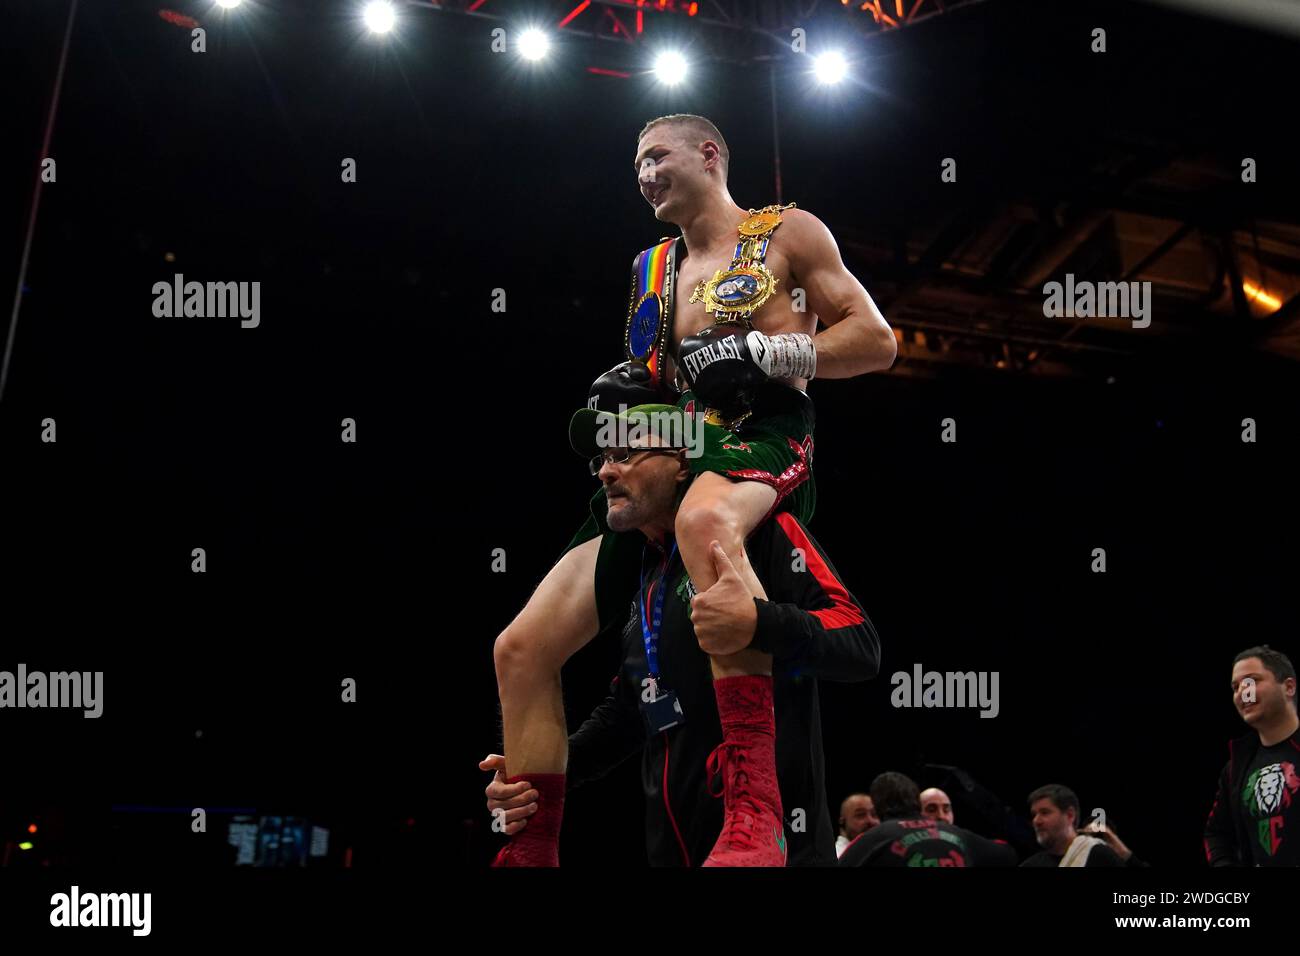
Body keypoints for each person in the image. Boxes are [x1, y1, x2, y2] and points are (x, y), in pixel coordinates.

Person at [492, 113, 895, 865]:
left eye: (655, 157)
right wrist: (628, 394)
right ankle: (529, 846)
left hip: (766, 430)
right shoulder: (649, 268)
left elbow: (877, 342)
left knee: (706, 522)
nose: (642, 175)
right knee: (520, 645)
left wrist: (765, 348)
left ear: (710, 155)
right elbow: (657, 387)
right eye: (635, 165)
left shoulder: (789, 231)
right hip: (676, 446)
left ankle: (754, 811)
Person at [483, 404, 880, 865]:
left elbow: (861, 644)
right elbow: (632, 714)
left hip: (786, 853)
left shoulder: (761, 535)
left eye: (627, 453)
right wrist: (541, 773)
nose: (607, 472)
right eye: (603, 458)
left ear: (683, 463)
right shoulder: (642, 573)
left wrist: (760, 622)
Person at [1205, 644, 1300, 866]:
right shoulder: (1236, 768)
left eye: (1251, 681)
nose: (1241, 693)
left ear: (1288, 687)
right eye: (1235, 687)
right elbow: (1216, 833)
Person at [838, 773, 1016, 867]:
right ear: (917, 800)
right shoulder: (958, 834)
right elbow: (1007, 854)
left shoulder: (874, 838)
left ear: (878, 807)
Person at [1020, 784, 1144, 867]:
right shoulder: (1030, 865)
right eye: (1034, 814)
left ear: (1070, 815)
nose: (1036, 821)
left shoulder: (1099, 855)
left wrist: (1125, 854)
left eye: (1045, 812)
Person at [835, 793, 879, 857]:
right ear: (843, 822)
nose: (870, 821)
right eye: (860, 815)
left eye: (874, 814)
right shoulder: (836, 857)